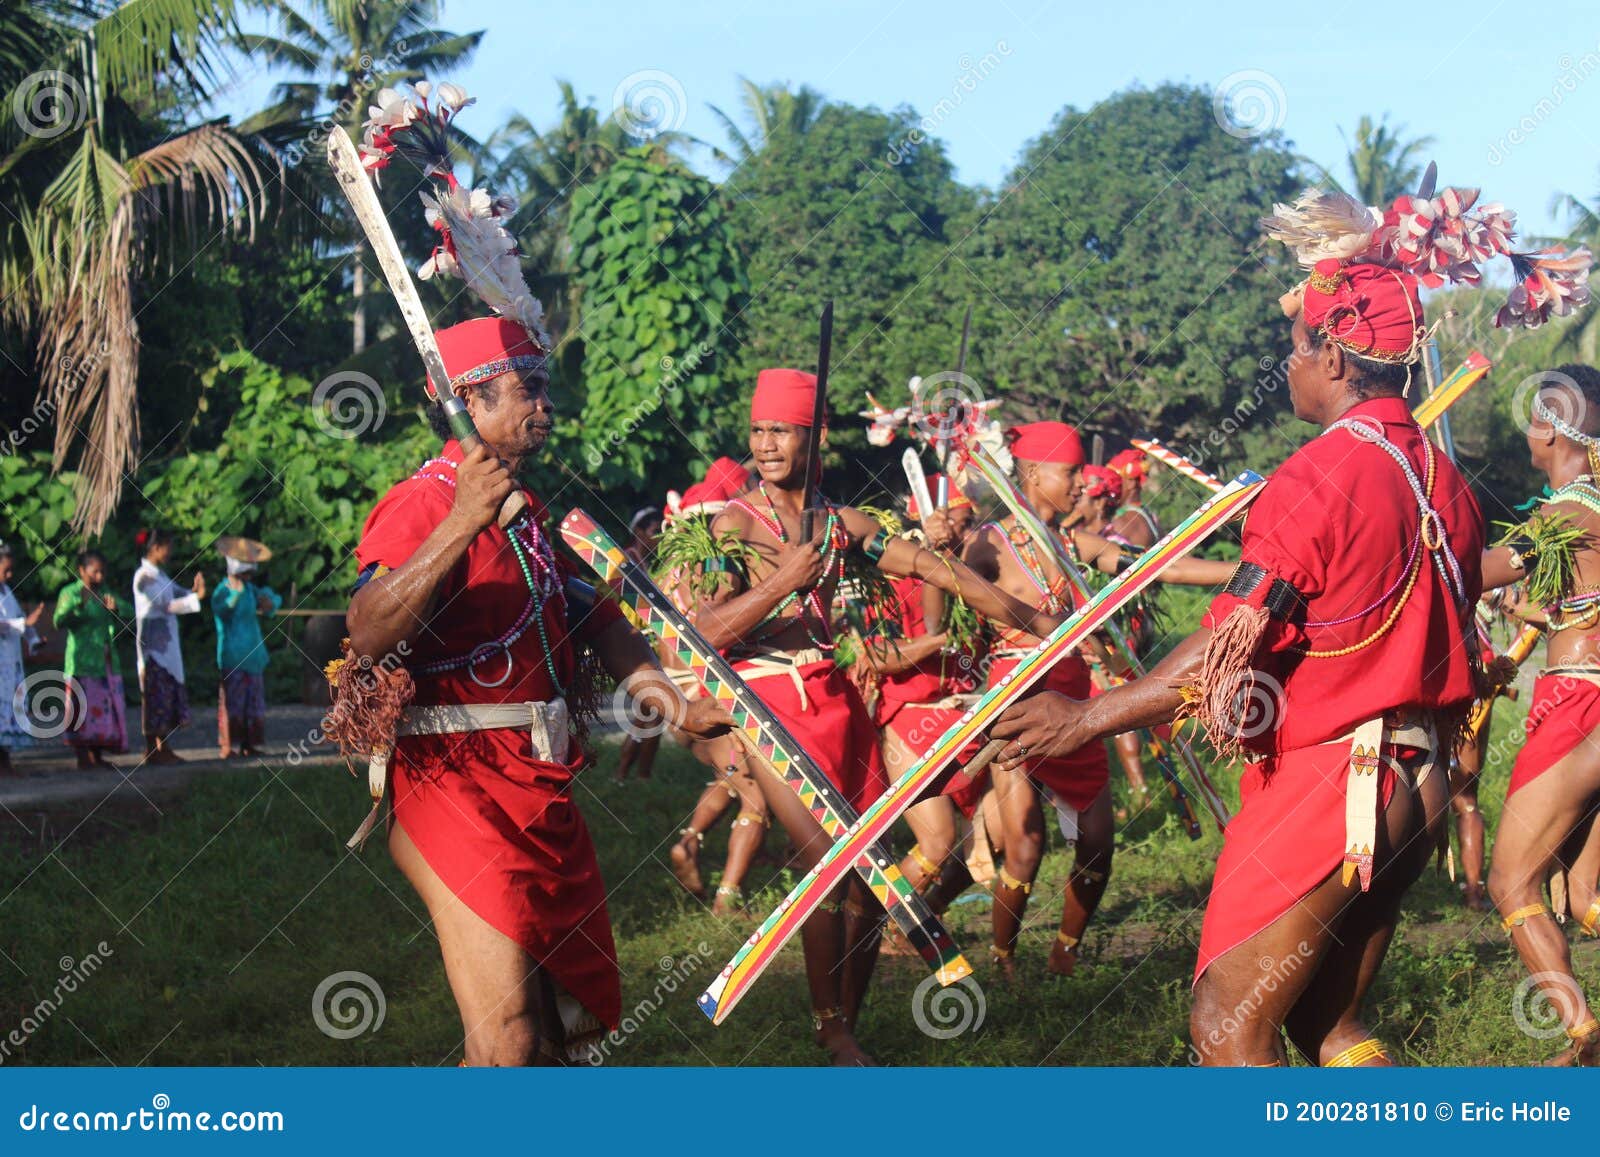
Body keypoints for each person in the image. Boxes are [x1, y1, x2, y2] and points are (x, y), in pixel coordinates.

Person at [990, 255, 1485, 1065]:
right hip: (1418, 785)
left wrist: (1085, 716)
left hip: (1338, 787)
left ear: (1333, 355)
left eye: (1295, 347)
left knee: (1228, 1027)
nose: (1287, 365)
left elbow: (1227, 647)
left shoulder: (1322, 470)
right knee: (1330, 1028)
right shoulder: (1448, 482)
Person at [340, 316, 731, 1066]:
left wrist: (676, 705)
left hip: (536, 782)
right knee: (510, 1035)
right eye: (528, 389)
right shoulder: (423, 502)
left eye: (544, 387)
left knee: (550, 1036)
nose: (546, 405)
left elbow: (596, 617)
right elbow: (366, 631)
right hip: (452, 783)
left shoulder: (527, 514)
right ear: (468, 402)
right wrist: (462, 520)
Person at [693, 368, 1059, 1063]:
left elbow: (939, 571)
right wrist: (782, 583)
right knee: (828, 862)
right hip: (770, 706)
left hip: (839, 703)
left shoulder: (841, 524)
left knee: (869, 870)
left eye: (781, 431)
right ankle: (832, 1029)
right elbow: (705, 632)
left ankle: (844, 1018)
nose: (765, 445)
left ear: (815, 438)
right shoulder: (732, 525)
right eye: (758, 431)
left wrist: (1041, 622)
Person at [962, 422, 1231, 981]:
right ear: (1031, 473)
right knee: (1026, 846)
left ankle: (1066, 950)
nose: (1082, 485)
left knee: (1098, 844)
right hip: (1014, 702)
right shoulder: (989, 543)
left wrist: (1246, 570)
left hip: (1072, 702)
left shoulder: (1070, 544)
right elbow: (948, 593)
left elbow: (1157, 566)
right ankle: (1003, 959)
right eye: (1070, 473)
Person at [1477, 364, 1600, 1065]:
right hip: (1585, 699)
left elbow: (1488, 570)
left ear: (1551, 430)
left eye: (1531, 420)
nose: (1527, 433)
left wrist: (1415, 546)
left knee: (1511, 881)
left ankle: (1586, 1038)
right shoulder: (1590, 509)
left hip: (1580, 704)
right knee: (1581, 896)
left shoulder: (1564, 513)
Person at [133, 529, 205, 764]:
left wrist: (193, 592)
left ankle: (163, 746)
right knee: (155, 694)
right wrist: (195, 599)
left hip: (165, 644)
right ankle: (152, 747)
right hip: (153, 647)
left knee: (164, 694)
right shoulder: (143, 577)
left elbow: (178, 593)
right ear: (156, 548)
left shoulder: (160, 575)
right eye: (168, 547)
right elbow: (166, 605)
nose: (170, 552)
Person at [54, 551, 129, 769]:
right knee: (80, 709)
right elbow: (58, 620)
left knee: (100, 708)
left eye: (102, 572)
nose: (99, 576)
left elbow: (130, 611)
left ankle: (96, 754)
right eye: (95, 571)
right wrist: (78, 605)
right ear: (81, 570)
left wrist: (117, 609)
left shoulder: (105, 593)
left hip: (104, 662)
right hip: (80, 662)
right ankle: (82, 756)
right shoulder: (70, 593)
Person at [212, 542, 281, 759]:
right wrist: (235, 595)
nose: (249, 577)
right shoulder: (222, 591)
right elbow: (221, 610)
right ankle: (229, 746)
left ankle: (249, 743)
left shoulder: (251, 590)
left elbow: (272, 600)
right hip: (232, 657)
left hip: (253, 656)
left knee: (253, 702)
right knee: (233, 702)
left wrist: (269, 602)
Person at [614, 506, 667, 782]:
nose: (659, 538)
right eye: (654, 531)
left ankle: (629, 775)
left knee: (649, 712)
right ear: (637, 531)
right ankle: (636, 775)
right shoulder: (627, 560)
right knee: (654, 711)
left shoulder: (644, 562)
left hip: (646, 642)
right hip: (634, 643)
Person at [0, 542, 45, 774]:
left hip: (11, 663)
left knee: (9, 711)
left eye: (11, 570)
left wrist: (34, 639)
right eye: (5, 570)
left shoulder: (7, 593)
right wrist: (23, 623)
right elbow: (13, 623)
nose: (9, 575)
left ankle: (5, 761)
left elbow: (22, 621)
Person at [1106, 448, 1159, 547]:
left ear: (1131, 482)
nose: (1109, 487)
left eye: (1114, 480)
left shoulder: (1123, 522)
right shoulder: (1149, 516)